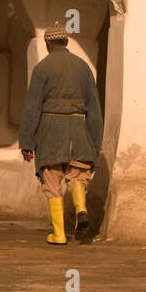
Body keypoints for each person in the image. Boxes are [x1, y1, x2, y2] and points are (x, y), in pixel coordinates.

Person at [19, 22, 104, 245]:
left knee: (52, 178)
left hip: (50, 130)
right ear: (66, 42)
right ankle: (81, 210)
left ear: (48, 43)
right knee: (77, 175)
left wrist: (26, 142)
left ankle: (59, 234)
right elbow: (94, 107)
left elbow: (32, 107)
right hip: (78, 129)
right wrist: (95, 142)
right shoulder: (83, 67)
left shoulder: (42, 68)